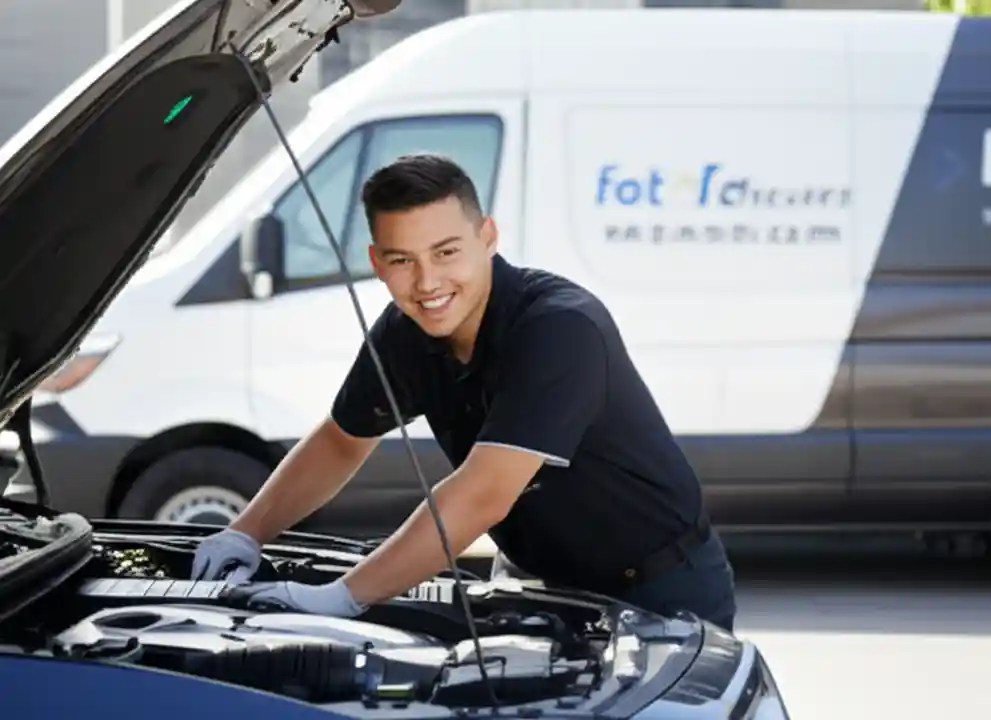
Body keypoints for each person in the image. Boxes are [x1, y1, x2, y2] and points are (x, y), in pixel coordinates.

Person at [191, 153, 737, 631]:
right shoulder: (407, 332)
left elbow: (481, 493)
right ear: (377, 262)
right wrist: (244, 534)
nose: (427, 283)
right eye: (403, 260)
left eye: (446, 252)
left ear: (488, 238)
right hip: (540, 582)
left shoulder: (560, 328)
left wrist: (345, 596)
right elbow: (341, 441)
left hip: (660, 587)